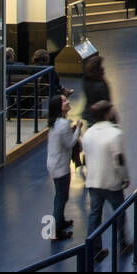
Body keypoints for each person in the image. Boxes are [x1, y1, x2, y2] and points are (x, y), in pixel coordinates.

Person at [81, 101, 132, 262]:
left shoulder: (88, 133)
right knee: (119, 212)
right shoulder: (115, 134)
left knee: (94, 215)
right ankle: (123, 243)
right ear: (107, 114)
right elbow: (119, 160)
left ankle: (94, 250)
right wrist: (124, 177)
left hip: (93, 181)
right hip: (111, 181)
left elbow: (86, 156)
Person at [46, 93, 79, 241]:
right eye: (64, 101)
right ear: (59, 107)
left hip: (54, 164)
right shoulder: (63, 124)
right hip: (60, 167)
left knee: (61, 195)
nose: (67, 102)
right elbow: (70, 143)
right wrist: (78, 128)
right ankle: (56, 231)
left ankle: (60, 221)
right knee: (61, 197)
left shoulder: (56, 123)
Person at [81, 55, 111, 120]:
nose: (103, 68)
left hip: (88, 112)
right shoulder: (100, 86)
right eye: (100, 67)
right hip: (98, 115)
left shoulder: (86, 80)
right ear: (96, 70)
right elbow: (106, 102)